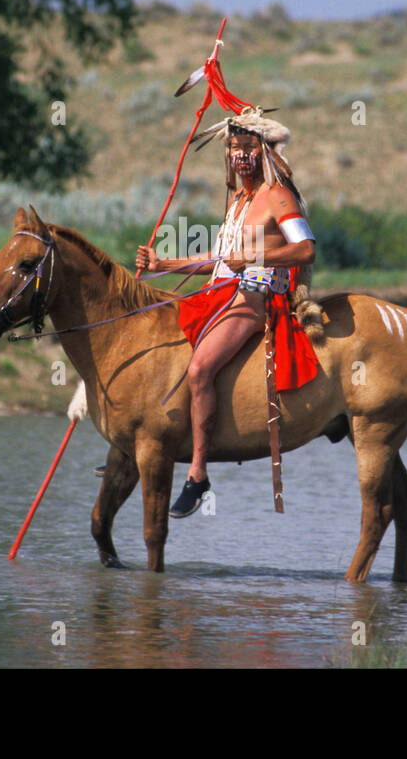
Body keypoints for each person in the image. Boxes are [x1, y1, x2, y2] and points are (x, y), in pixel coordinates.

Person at [135, 112, 320, 517]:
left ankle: (198, 474)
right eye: (234, 148)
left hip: (256, 299)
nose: (240, 155)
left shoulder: (277, 196)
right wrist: (162, 264)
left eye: (248, 147)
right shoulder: (239, 199)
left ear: (265, 150)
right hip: (221, 292)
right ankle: (143, 447)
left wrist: (253, 255)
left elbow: (306, 250)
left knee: (200, 369)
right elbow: (219, 259)